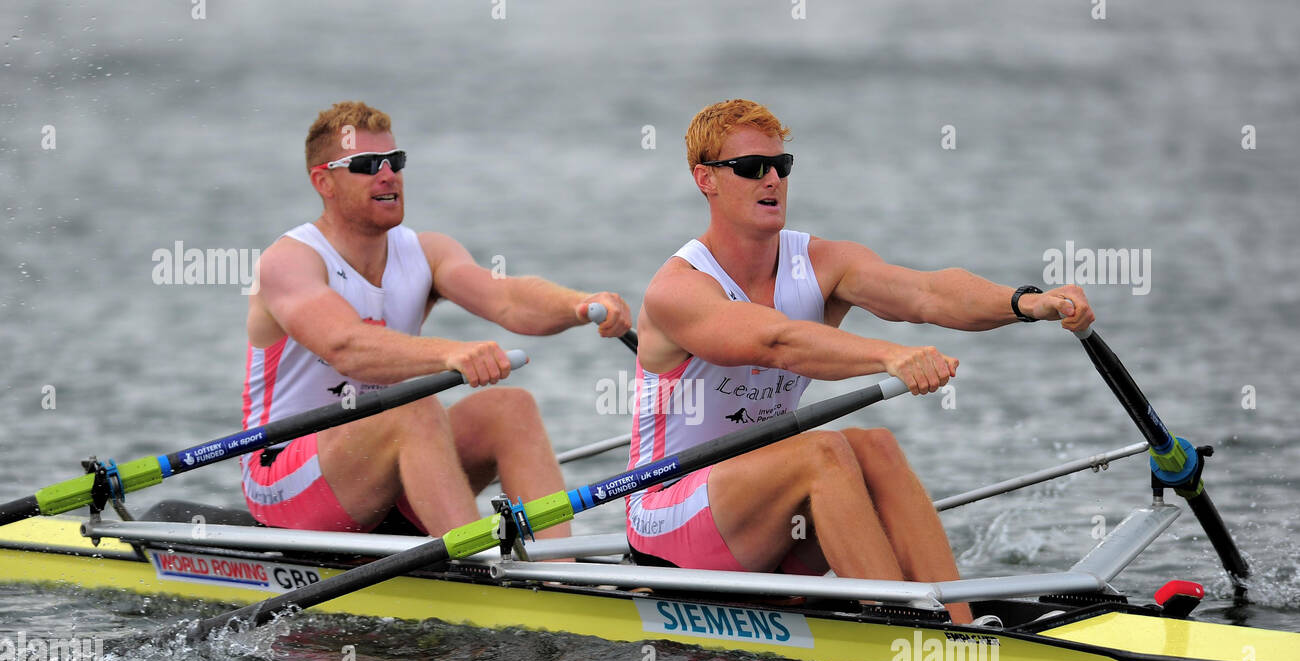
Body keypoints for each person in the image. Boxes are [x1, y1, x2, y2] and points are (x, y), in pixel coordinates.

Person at [627, 99, 1094, 623]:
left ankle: (961, 627)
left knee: (875, 446)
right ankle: (903, 629)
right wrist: (890, 356)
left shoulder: (824, 262)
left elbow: (925, 293)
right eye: (751, 168)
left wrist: (1027, 303)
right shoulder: (678, 289)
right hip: (666, 522)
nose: (772, 180)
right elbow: (775, 341)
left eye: (781, 166)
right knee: (822, 452)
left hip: (762, 523)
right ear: (705, 179)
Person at [242, 101, 631, 538]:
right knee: (415, 407)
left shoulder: (426, 252)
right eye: (368, 165)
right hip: (284, 481)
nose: (388, 174)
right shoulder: (290, 261)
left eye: (396, 161)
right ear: (324, 181)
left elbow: (505, 299)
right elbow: (345, 346)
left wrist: (579, 305)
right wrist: (451, 352)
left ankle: (558, 572)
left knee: (510, 408)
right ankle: (482, 567)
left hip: (380, 469)